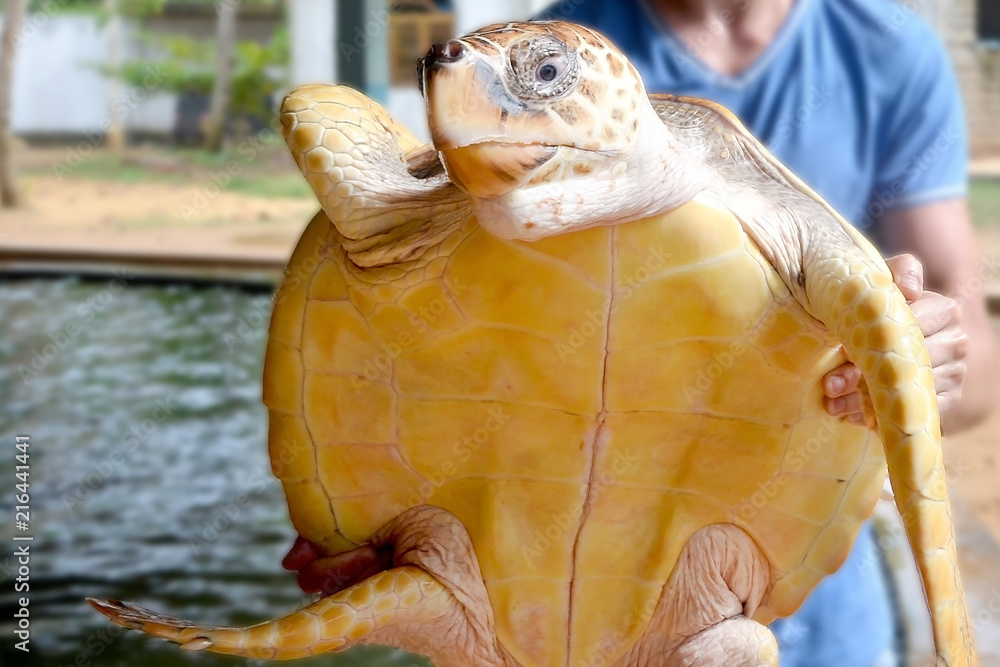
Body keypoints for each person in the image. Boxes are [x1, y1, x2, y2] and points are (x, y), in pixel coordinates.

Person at [283, 1, 998, 665]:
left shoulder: (889, 52)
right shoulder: (558, 32)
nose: (472, 90)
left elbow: (976, 377)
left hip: (795, 606)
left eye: (545, 78)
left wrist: (913, 363)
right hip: (511, 602)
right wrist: (360, 514)